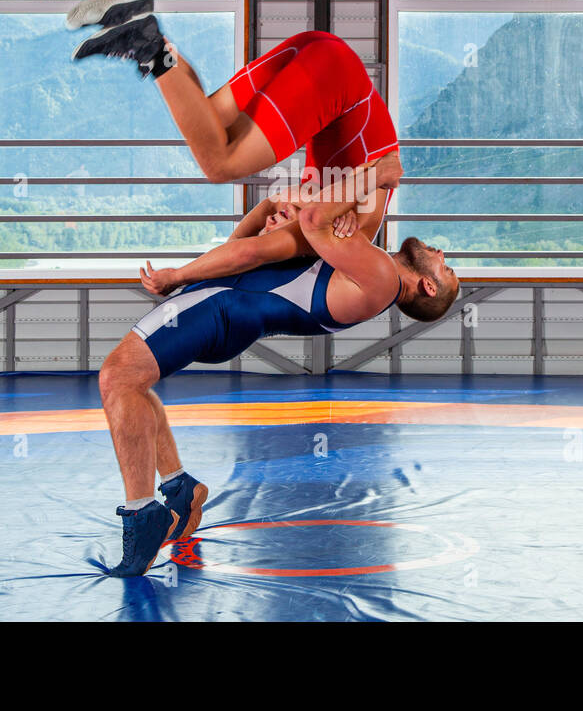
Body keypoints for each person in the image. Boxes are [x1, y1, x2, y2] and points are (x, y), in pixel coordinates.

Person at [95, 153, 458, 576]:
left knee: (118, 378)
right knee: (134, 384)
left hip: (225, 307)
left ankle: (143, 516)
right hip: (228, 302)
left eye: (446, 266)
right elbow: (267, 231)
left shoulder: (382, 278)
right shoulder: (367, 257)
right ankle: (180, 488)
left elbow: (308, 222)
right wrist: (311, 206)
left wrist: (375, 177)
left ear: (428, 285)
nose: (441, 251)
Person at [67, 0, 399, 210]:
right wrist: (179, 277)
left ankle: (137, 22)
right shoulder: (351, 255)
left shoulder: (341, 221)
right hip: (334, 79)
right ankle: (147, 46)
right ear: (424, 286)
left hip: (324, 54)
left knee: (206, 120)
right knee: (219, 165)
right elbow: (249, 252)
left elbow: (273, 212)